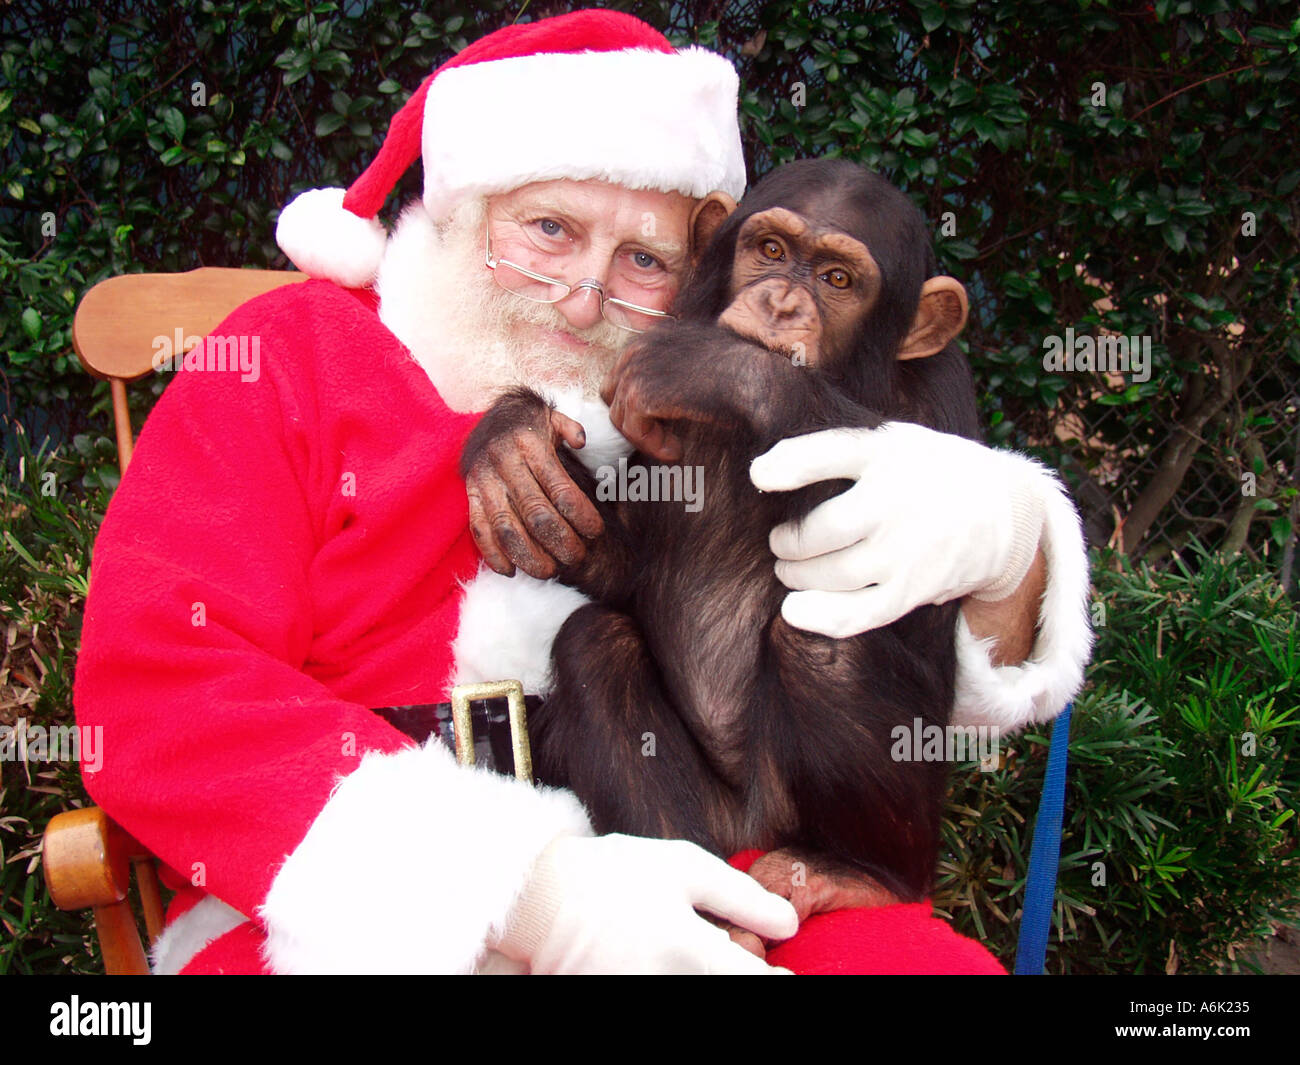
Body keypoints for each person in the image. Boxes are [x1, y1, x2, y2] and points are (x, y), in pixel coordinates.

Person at [73, 9, 1091, 975]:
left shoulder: (720, 399)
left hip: (709, 866)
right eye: (548, 229)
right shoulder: (293, 355)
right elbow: (155, 684)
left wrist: (1009, 543)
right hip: (341, 900)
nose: (586, 296)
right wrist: (527, 890)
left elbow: (884, 691)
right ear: (456, 213)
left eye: (644, 259)